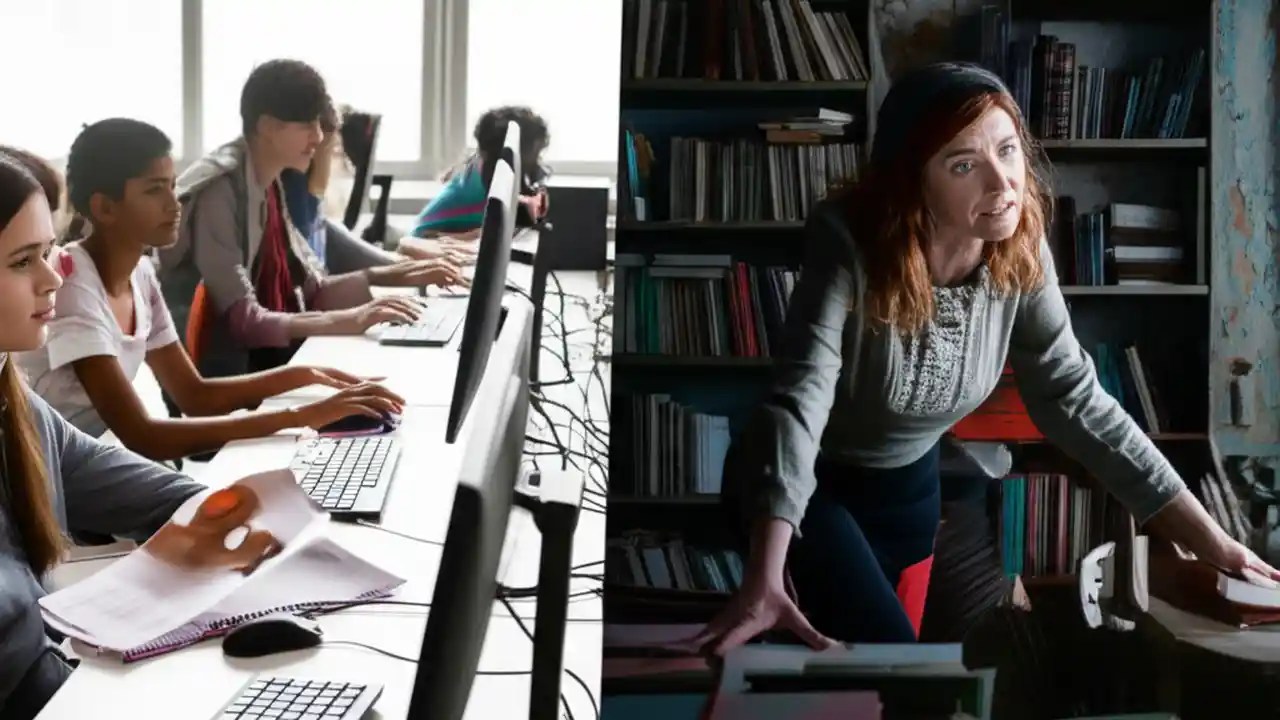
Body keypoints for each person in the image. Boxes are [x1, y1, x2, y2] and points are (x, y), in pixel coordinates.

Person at [689, 62, 1280, 656]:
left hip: (910, 492)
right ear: (910, 181)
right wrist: (765, 574)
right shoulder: (850, 240)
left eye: (1008, 150)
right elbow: (802, 397)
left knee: (938, 669)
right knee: (893, 674)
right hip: (802, 490)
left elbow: (1075, 400)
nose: (1003, 184)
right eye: (963, 164)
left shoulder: (1017, 245)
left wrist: (1216, 543)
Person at [17, 121, 406, 463]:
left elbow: (193, 395)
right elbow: (144, 436)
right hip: (42, 476)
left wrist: (306, 375)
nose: (175, 203)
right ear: (104, 208)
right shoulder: (72, 285)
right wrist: (299, 417)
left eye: (172, 185)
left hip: (80, 462)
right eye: (154, 191)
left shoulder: (139, 272)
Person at [0, 148, 209, 720]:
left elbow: (179, 499)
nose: (52, 278)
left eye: (47, 252)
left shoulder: (16, 404)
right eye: (23, 262)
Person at [156, 58, 467, 378]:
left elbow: (310, 285)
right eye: (307, 125)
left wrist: (399, 280)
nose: (319, 138)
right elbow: (244, 321)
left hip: (252, 362)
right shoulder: (221, 192)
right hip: (218, 376)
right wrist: (353, 318)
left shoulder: (267, 181)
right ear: (267, 126)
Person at [398, 105, 551, 260]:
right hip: (424, 246)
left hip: (433, 242)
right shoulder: (486, 179)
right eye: (534, 154)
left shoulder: (481, 165)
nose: (537, 163)